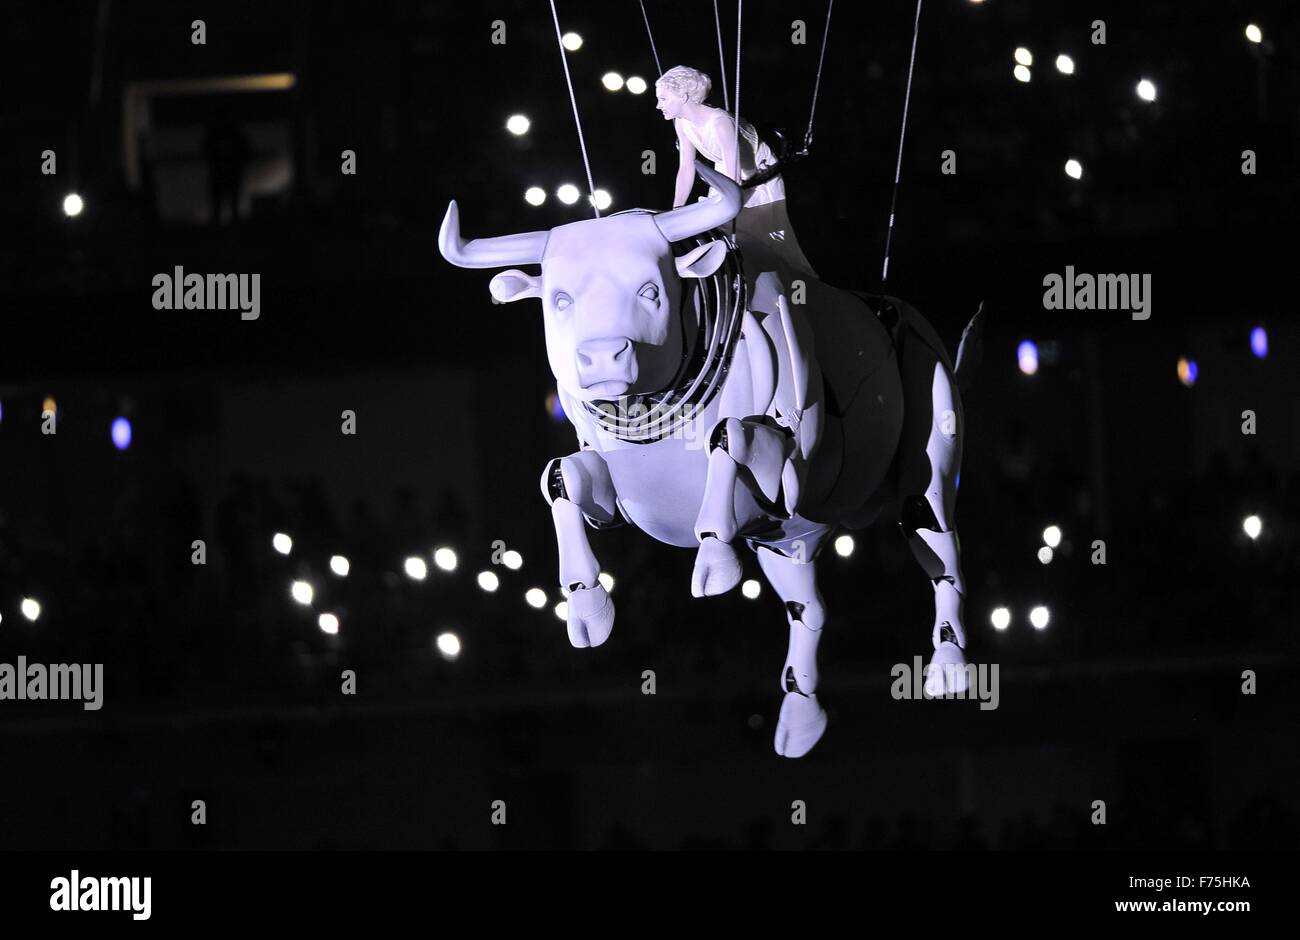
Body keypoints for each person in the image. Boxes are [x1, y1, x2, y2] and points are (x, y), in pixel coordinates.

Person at [655, 65, 817, 279]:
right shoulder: (681, 123)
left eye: (663, 99)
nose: (659, 106)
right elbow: (686, 168)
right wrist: (677, 209)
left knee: (764, 239)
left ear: (683, 97)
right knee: (718, 230)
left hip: (757, 177)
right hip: (727, 172)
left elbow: (734, 180)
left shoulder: (721, 123)